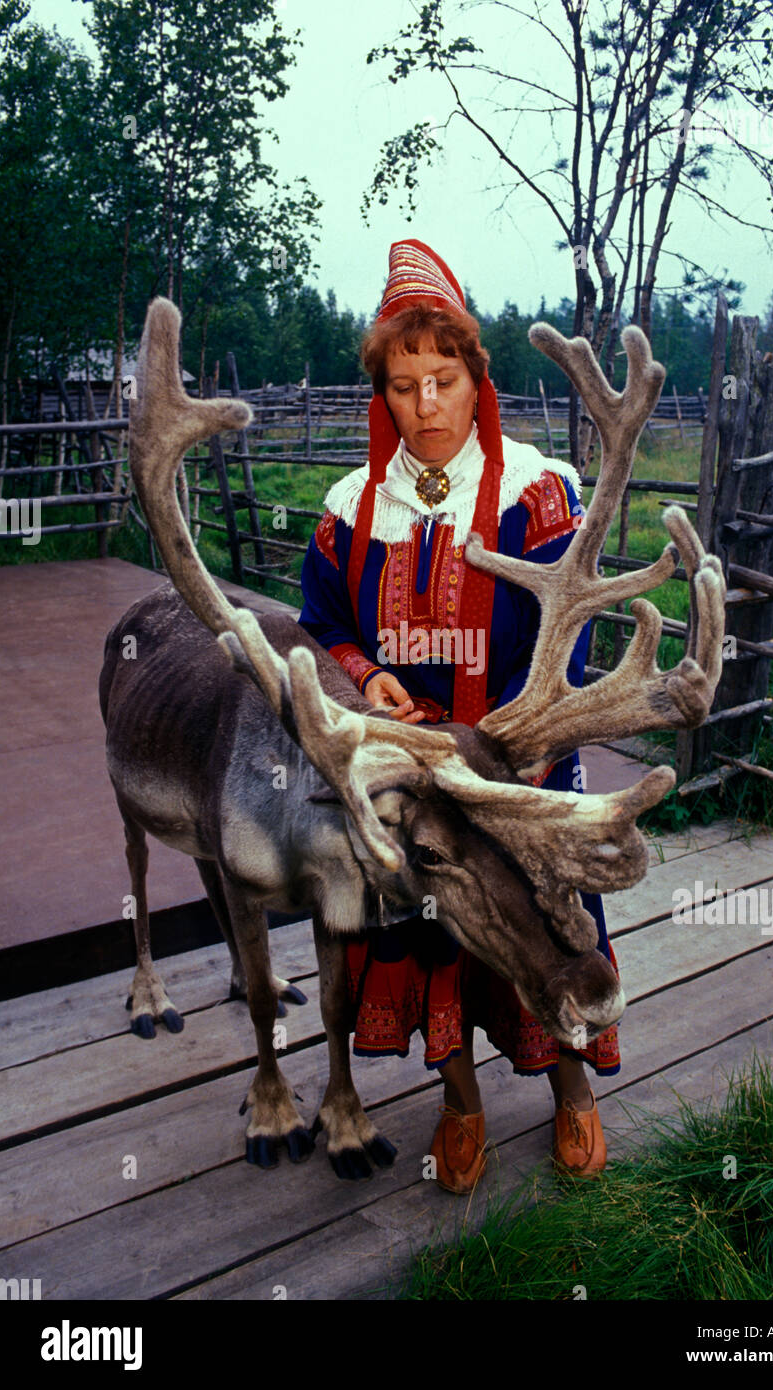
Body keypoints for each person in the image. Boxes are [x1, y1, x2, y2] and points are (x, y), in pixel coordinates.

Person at [299, 238, 621, 1193]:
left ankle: (572, 1092)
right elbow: (320, 627)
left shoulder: (535, 490)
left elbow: (577, 640)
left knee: (544, 929)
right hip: (412, 792)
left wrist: (516, 743)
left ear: (475, 375)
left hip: (518, 783)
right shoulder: (352, 508)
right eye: (402, 386)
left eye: (442, 378)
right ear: (381, 393)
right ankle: (460, 1102)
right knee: (427, 931)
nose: (425, 405)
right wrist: (366, 680)